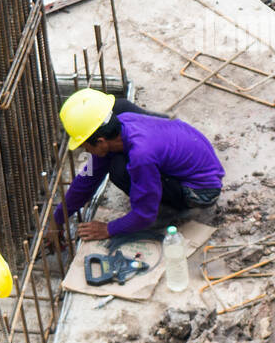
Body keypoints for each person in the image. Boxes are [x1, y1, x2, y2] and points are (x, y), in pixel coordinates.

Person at [52, 88, 224, 242]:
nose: (84, 150)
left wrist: (108, 229)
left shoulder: (141, 156)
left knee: (120, 171)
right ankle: (154, 196)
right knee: (118, 164)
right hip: (192, 160)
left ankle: (167, 213)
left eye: (84, 146)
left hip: (202, 191)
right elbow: (88, 176)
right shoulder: (122, 122)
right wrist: (58, 218)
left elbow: (145, 215)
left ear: (101, 141)